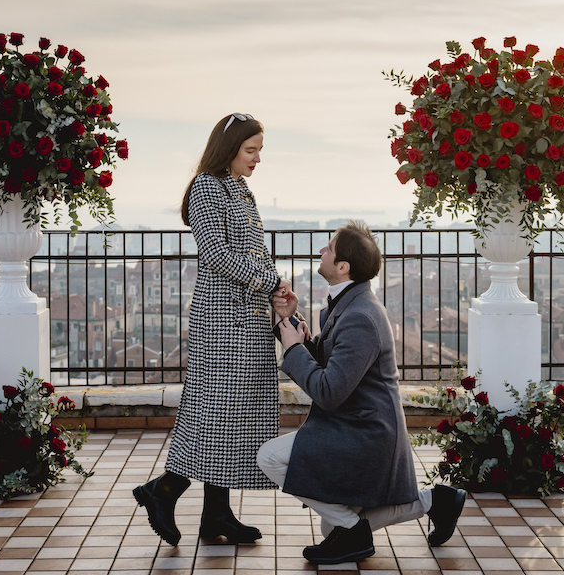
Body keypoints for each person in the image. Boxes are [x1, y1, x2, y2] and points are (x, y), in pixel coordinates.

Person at [258, 221, 466, 564]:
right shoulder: (351, 304)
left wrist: (294, 350)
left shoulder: (360, 317)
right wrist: (294, 324)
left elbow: (328, 391)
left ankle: (356, 531)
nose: (320, 251)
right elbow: (339, 366)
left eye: (328, 248)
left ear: (343, 267)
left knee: (269, 457)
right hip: (355, 426)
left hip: (365, 434)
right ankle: (435, 502)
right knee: (332, 528)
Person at [133, 113, 290, 545]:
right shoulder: (207, 187)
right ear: (230, 149)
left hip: (250, 317)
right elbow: (216, 256)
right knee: (217, 414)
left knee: (233, 417)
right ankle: (163, 491)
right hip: (221, 319)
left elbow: (256, 250)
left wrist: (276, 284)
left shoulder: (241, 189)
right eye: (251, 150)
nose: (258, 158)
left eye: (260, 150)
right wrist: (267, 281)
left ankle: (215, 514)